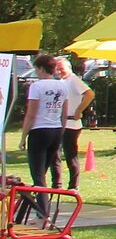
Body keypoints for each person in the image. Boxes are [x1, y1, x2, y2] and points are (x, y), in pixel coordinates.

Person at [21, 55, 72, 219]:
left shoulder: (37, 86)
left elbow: (31, 113)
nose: (36, 71)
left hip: (39, 130)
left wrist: (23, 137)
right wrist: (61, 131)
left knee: (37, 175)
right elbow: (64, 113)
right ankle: (35, 204)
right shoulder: (62, 86)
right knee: (42, 172)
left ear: (42, 69)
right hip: (55, 129)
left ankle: (43, 210)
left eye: (36, 68)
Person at [50, 57, 93, 190]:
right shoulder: (61, 81)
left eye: (61, 69)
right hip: (60, 122)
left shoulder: (73, 80)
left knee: (70, 154)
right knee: (54, 153)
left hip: (71, 123)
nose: (59, 72)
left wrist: (79, 110)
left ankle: (73, 185)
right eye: (57, 69)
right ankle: (56, 184)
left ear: (68, 68)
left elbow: (90, 94)